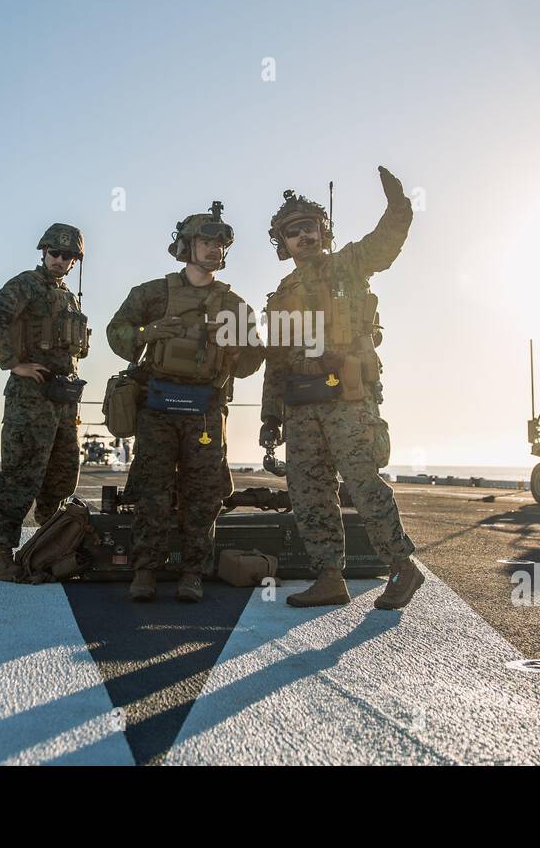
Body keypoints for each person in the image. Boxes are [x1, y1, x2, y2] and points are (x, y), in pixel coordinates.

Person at [259, 166, 422, 610]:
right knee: (309, 493)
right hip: (300, 404)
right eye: (293, 232)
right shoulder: (280, 294)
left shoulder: (349, 264)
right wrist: (269, 416)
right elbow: (275, 361)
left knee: (363, 484)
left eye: (309, 227)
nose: (303, 237)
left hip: (346, 398)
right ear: (283, 243)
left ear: (323, 231)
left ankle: (402, 568)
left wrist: (398, 207)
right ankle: (329, 577)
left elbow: (387, 242)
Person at [107, 204, 263, 603]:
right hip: (158, 405)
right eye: (207, 242)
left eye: (221, 244)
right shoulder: (153, 294)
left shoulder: (234, 305)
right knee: (152, 489)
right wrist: (148, 332)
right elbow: (116, 331)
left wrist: (237, 347)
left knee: (203, 493)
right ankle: (145, 570)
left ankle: (193, 571)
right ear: (186, 246)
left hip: (206, 411)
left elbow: (251, 362)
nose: (215, 250)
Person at [0, 223, 90, 580]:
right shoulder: (25, 285)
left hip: (63, 400)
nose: (60, 260)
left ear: (75, 261)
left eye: (68, 255)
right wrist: (13, 364)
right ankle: (1, 556)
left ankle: (48, 549)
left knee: (62, 476)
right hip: (30, 399)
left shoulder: (69, 297)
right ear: (43, 252)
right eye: (54, 253)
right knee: (21, 474)